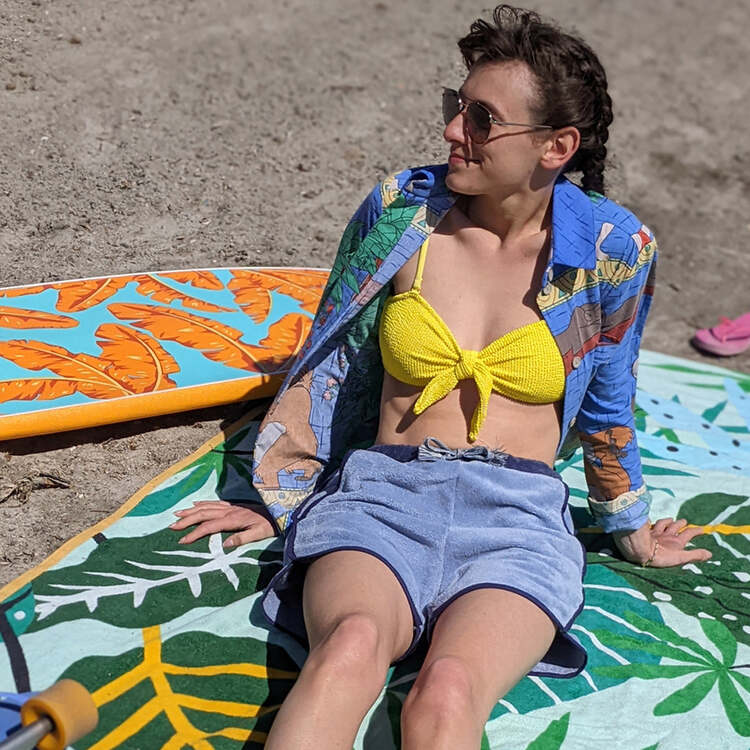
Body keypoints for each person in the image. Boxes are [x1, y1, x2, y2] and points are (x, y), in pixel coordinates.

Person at [170, 6, 712, 748]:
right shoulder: (404, 214)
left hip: (517, 518)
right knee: (350, 647)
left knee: (448, 692)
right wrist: (281, 495)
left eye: (482, 119)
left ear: (556, 146)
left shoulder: (613, 250)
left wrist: (628, 525)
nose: (454, 129)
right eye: (457, 105)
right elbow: (331, 359)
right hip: (385, 494)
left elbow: (610, 397)